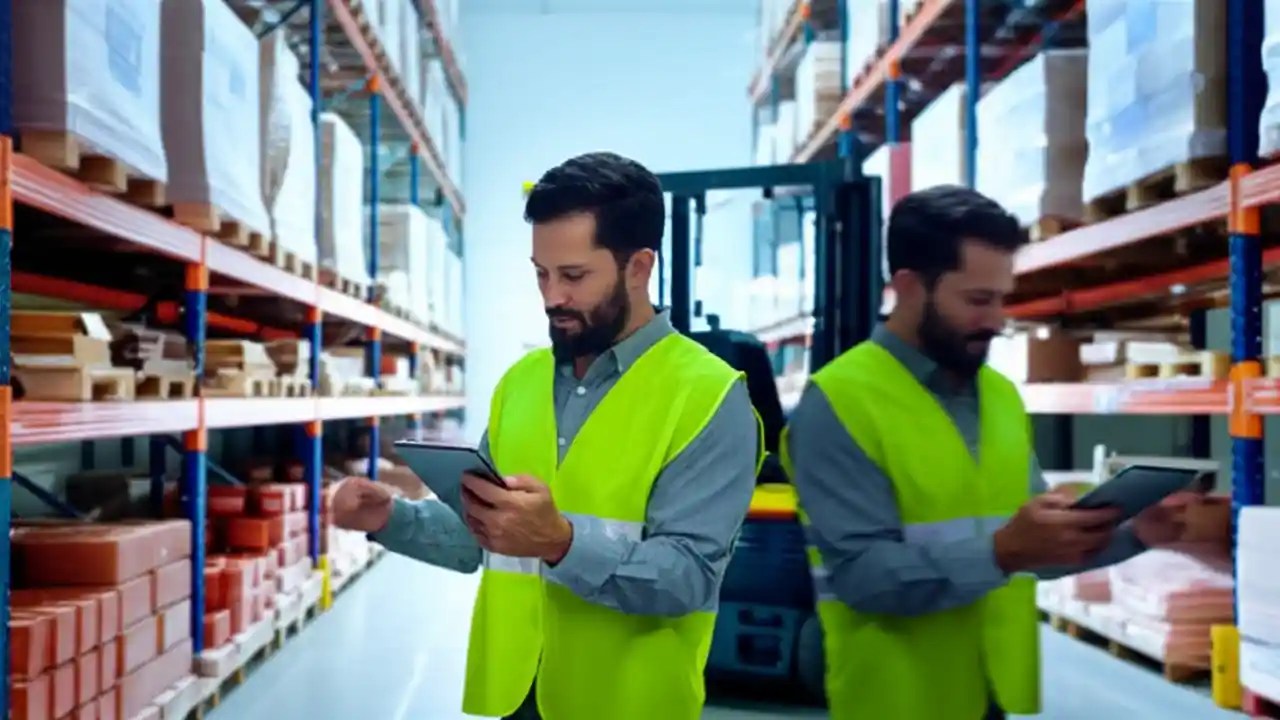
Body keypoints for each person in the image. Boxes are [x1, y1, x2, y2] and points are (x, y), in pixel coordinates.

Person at [331, 151, 763, 720]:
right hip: (513, 697)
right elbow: (484, 534)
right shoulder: (522, 383)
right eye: (541, 273)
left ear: (638, 268)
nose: (552, 296)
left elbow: (687, 577)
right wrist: (390, 519)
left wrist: (560, 541)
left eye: (574, 276)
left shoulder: (710, 396)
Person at [782, 185, 1197, 720]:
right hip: (896, 699)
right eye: (978, 300)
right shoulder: (837, 403)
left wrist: (1138, 534)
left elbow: (1035, 549)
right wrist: (1003, 551)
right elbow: (865, 579)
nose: (998, 319)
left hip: (993, 695)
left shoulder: (999, 396)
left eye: (1002, 298)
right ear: (908, 288)